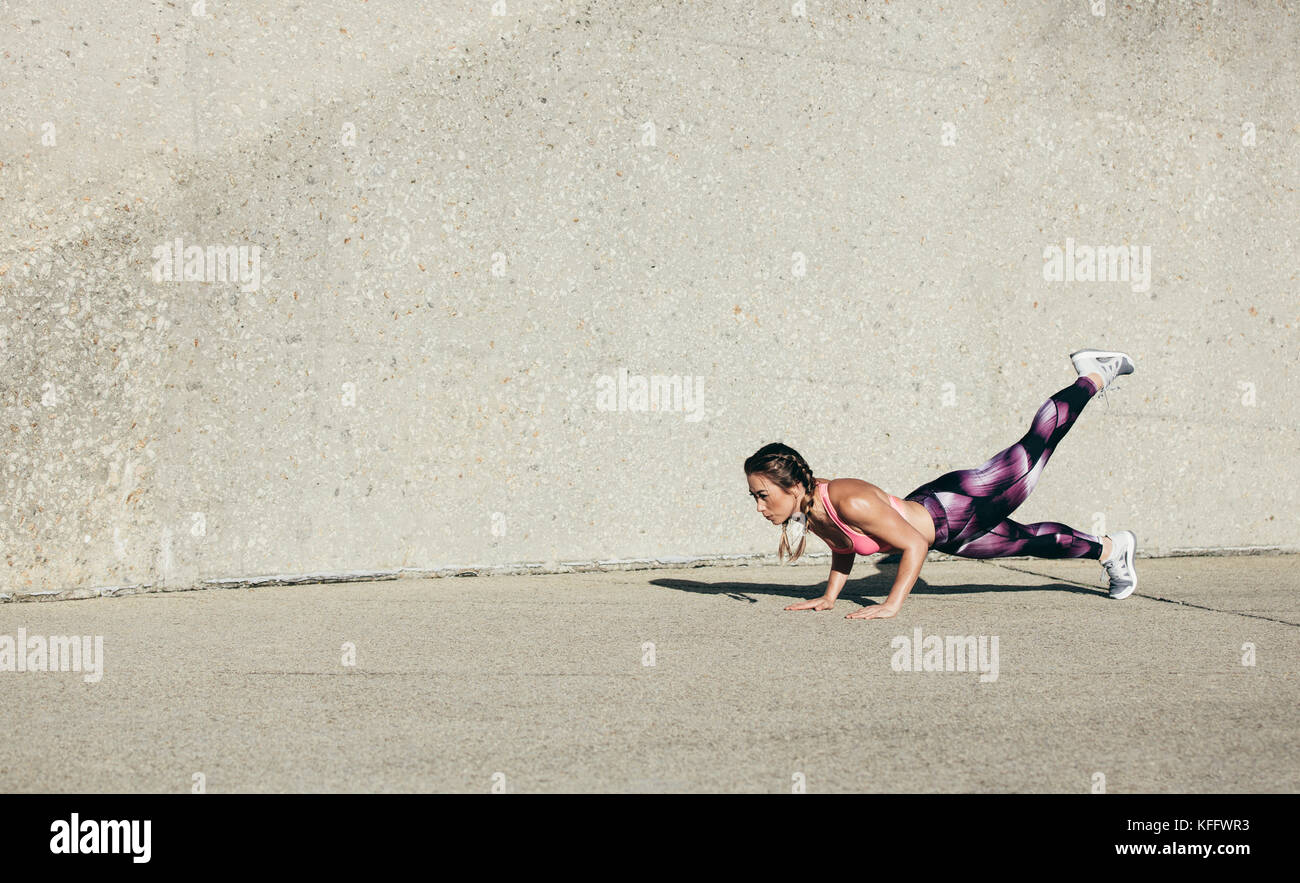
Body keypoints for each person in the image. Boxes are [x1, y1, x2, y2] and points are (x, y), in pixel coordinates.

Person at [744, 349, 1139, 620]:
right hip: (950, 533)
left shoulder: (849, 498)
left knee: (1035, 444)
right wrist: (830, 597)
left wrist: (892, 605)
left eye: (763, 495)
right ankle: (1112, 549)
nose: (760, 506)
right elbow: (843, 545)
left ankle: (1095, 373)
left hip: (960, 503)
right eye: (755, 497)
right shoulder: (808, 507)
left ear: (792, 485)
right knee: (1033, 541)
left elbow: (914, 544)